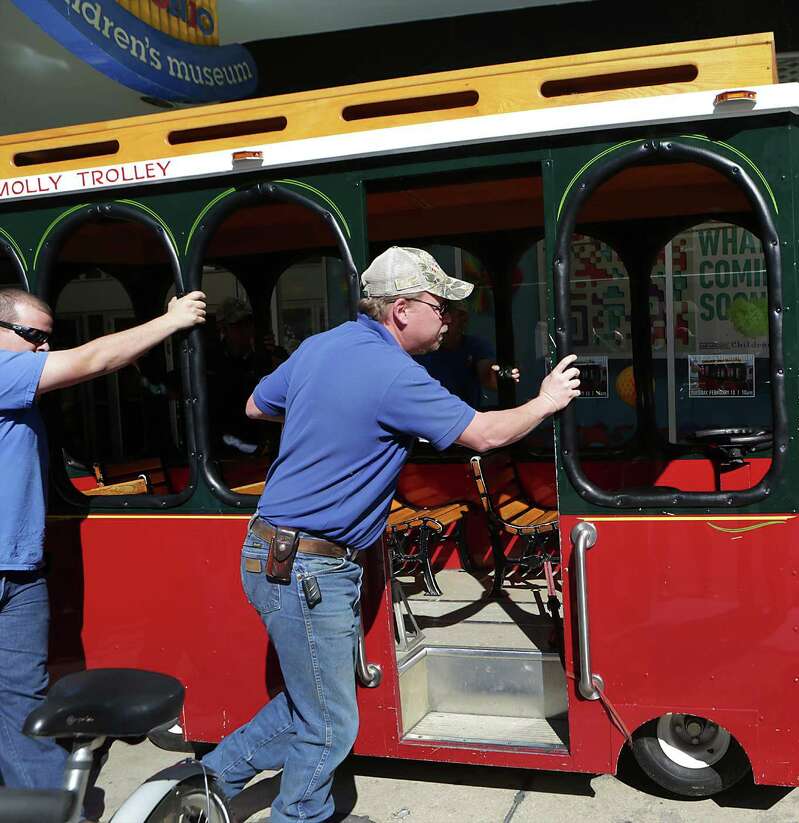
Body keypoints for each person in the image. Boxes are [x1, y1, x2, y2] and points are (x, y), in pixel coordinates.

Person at [201, 246, 579, 823]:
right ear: (401, 309)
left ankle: (209, 779)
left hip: (278, 554)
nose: (448, 319)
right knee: (331, 725)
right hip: (307, 565)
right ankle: (298, 816)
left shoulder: (320, 346)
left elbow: (257, 405)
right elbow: (483, 434)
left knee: (317, 706)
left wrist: (328, 416)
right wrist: (547, 401)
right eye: (440, 306)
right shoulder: (393, 373)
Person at [0, 287, 206, 788]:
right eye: (34, 337)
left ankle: (49, 811)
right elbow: (95, 359)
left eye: (49, 339)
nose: (45, 349)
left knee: (21, 700)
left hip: (21, 571)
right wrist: (171, 321)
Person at [207, 297, 279, 455]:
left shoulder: (266, 355)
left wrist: (271, 358)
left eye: (248, 323)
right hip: (228, 448)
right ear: (223, 329)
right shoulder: (212, 362)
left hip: (266, 443)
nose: (245, 330)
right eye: (238, 325)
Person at [413, 306, 518, 406]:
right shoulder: (417, 348)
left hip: (466, 420)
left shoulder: (475, 346)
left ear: (463, 320)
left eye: (448, 314)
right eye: (440, 313)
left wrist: (497, 374)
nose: (445, 320)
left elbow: (487, 375)